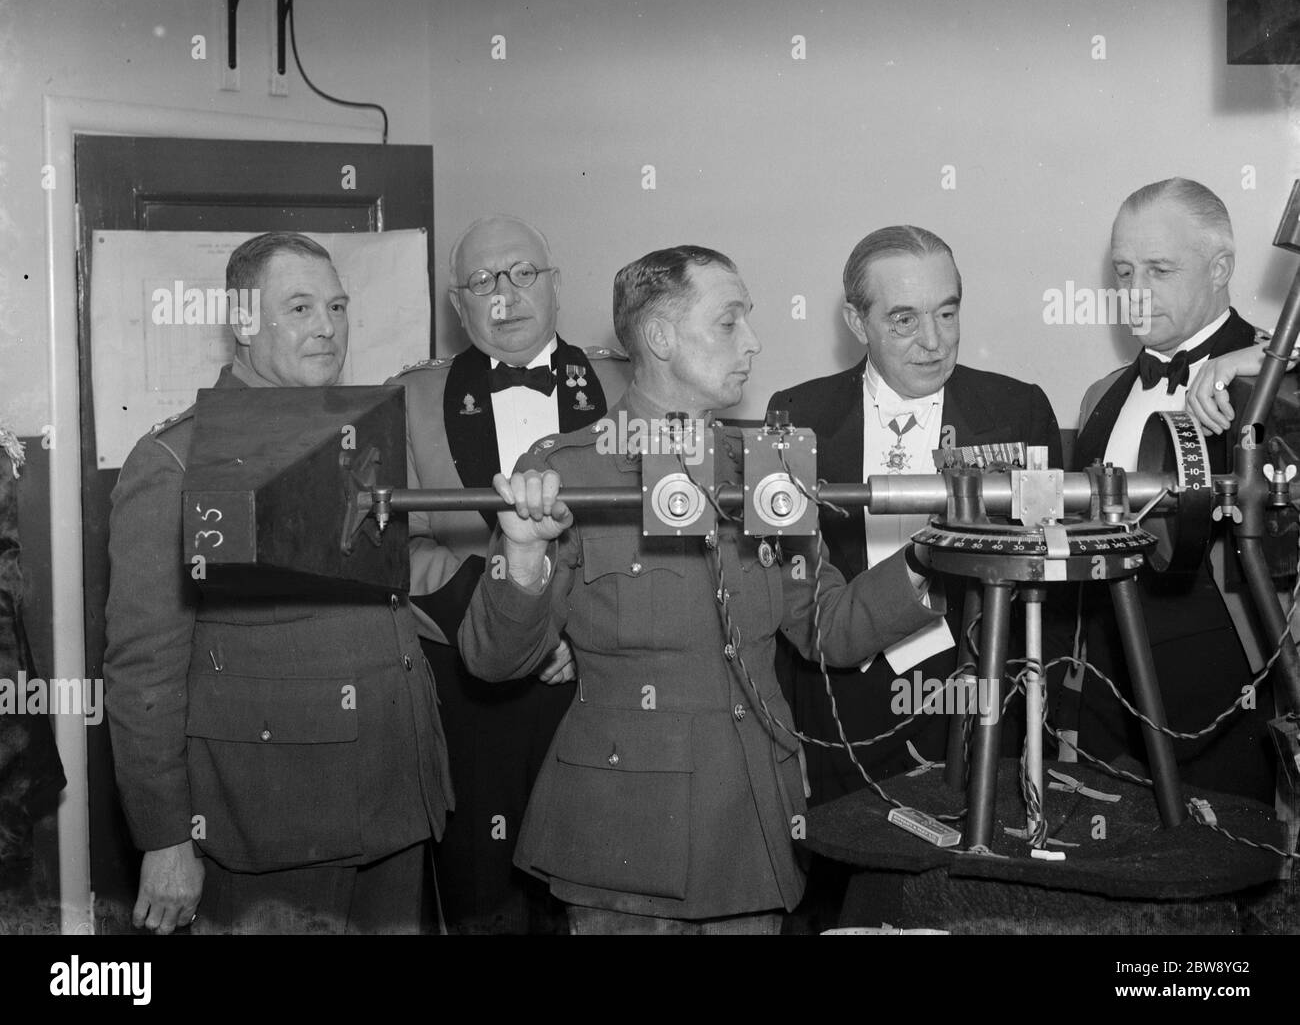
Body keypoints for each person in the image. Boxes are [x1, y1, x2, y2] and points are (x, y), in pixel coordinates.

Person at [459, 245, 941, 933]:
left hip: (751, 826)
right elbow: (492, 660)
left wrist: (928, 557)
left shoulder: (768, 468)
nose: (753, 342)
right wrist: (522, 551)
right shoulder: (566, 471)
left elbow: (828, 628)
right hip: (625, 842)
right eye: (728, 322)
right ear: (659, 336)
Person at [104, 232, 451, 934]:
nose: (327, 326)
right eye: (299, 307)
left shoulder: (363, 441)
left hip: (393, 808)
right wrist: (166, 838)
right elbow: (144, 672)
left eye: (337, 305)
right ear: (242, 321)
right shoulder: (176, 460)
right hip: (274, 825)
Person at [388, 215, 629, 933]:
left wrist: (571, 628)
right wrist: (507, 617)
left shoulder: (626, 386)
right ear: (458, 306)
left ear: (555, 287)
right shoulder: (409, 397)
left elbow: (648, 542)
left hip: (596, 674)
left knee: (595, 890)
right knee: (481, 897)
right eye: (483, 281)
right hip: (466, 680)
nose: (506, 295)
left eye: (523, 274)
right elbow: (396, 546)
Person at [767, 225, 1062, 801]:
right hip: (845, 710)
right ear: (858, 322)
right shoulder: (798, 413)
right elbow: (791, 586)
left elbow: (1049, 578)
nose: (933, 342)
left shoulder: (1018, 408)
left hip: (982, 702)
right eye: (904, 320)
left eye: (947, 315)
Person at [1064, 177, 1275, 803]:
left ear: (1221, 269)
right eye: (1124, 272)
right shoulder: (1101, 396)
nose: (1135, 294)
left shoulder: (1275, 378)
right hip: (1106, 698)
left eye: (1159, 270)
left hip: (1236, 702)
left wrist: (1277, 362)